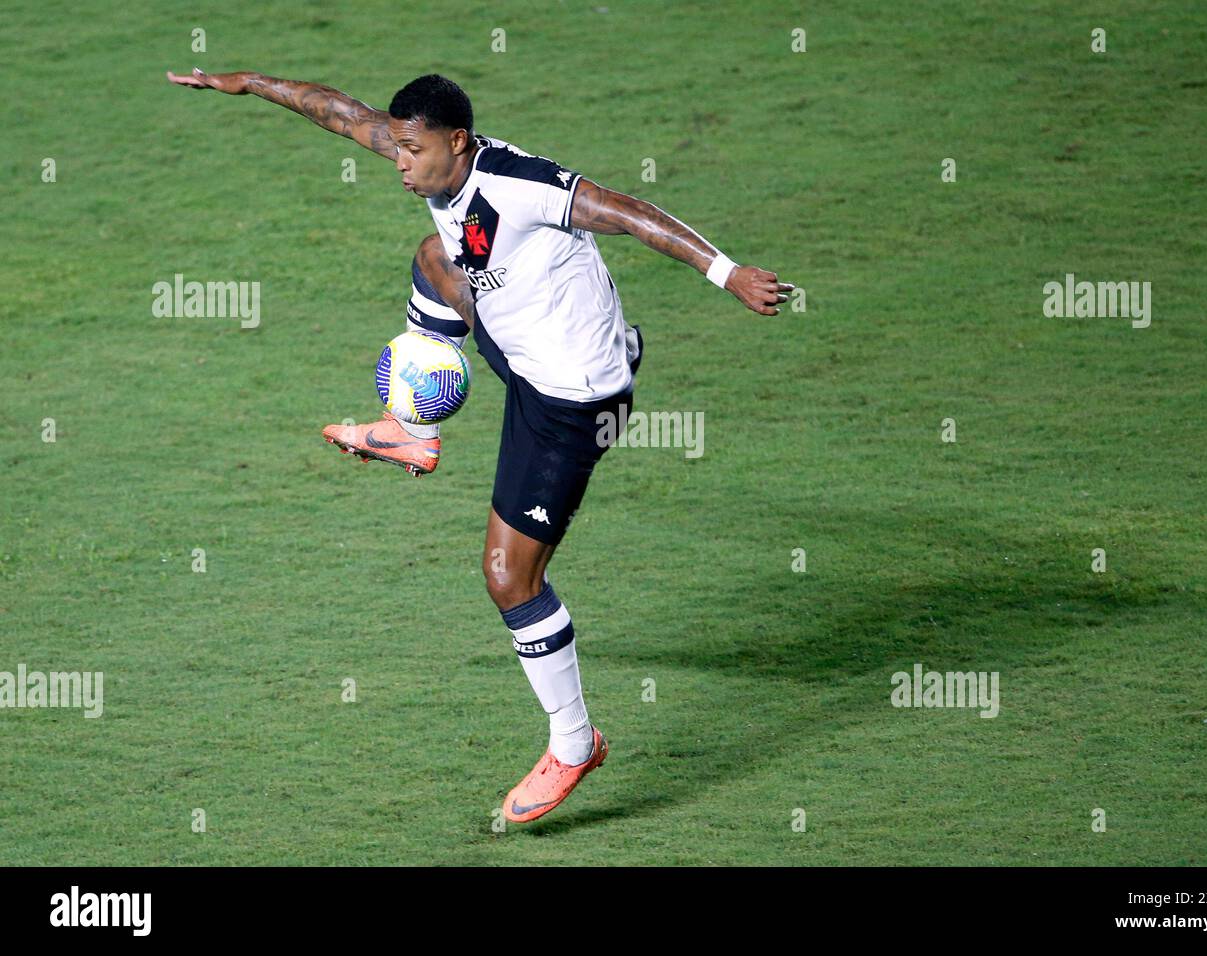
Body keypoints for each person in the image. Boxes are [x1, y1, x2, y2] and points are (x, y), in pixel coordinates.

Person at [167, 68, 793, 823]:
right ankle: (413, 431)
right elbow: (336, 112)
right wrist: (238, 82)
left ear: (458, 143)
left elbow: (625, 211)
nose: (399, 161)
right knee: (437, 259)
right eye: (395, 147)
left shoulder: (519, 184)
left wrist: (727, 274)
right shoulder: (427, 160)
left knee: (508, 578)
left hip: (571, 402)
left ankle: (574, 742)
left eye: (413, 149)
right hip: (518, 345)